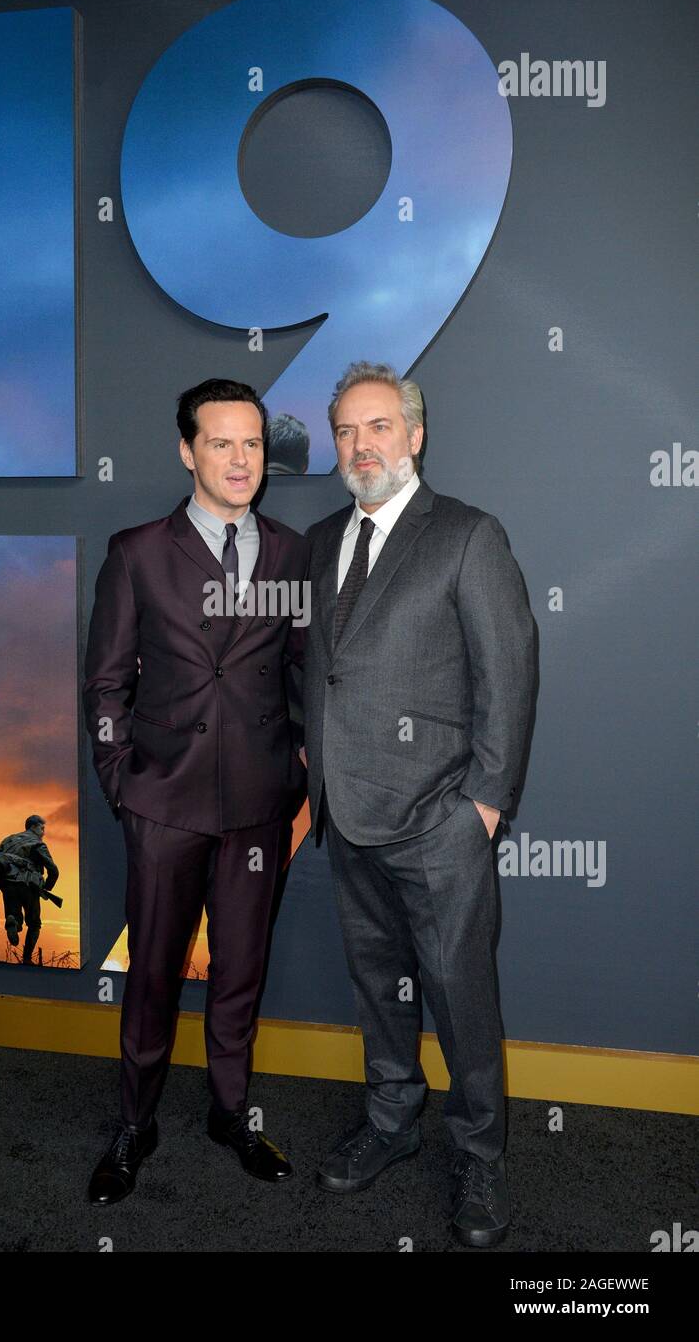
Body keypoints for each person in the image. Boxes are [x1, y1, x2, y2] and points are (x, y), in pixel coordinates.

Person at [302, 361, 536, 1247]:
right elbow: (322, 671)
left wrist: (484, 804)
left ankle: (481, 1157)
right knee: (378, 990)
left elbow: (510, 674)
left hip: (439, 823)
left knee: (462, 998)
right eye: (346, 433)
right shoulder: (323, 539)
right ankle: (391, 1125)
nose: (362, 447)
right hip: (347, 817)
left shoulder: (468, 537)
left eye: (378, 428)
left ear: (415, 435)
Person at [82, 377, 309, 1204]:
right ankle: (134, 1126)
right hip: (163, 805)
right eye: (221, 442)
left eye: (252, 442)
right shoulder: (137, 552)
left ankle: (230, 1112)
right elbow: (104, 684)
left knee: (241, 973)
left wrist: (303, 771)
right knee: (151, 976)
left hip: (258, 810)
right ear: (188, 451)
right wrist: (122, 784)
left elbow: (305, 672)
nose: (241, 458)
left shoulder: (291, 554)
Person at [0, 815, 59, 966]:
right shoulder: (37, 843)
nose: (43, 832)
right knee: (34, 924)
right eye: (42, 828)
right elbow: (53, 870)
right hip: (29, 886)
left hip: (7, 884)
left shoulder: (9, 839)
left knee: (13, 914)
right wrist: (46, 888)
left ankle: (13, 921)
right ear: (33, 827)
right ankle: (26, 959)